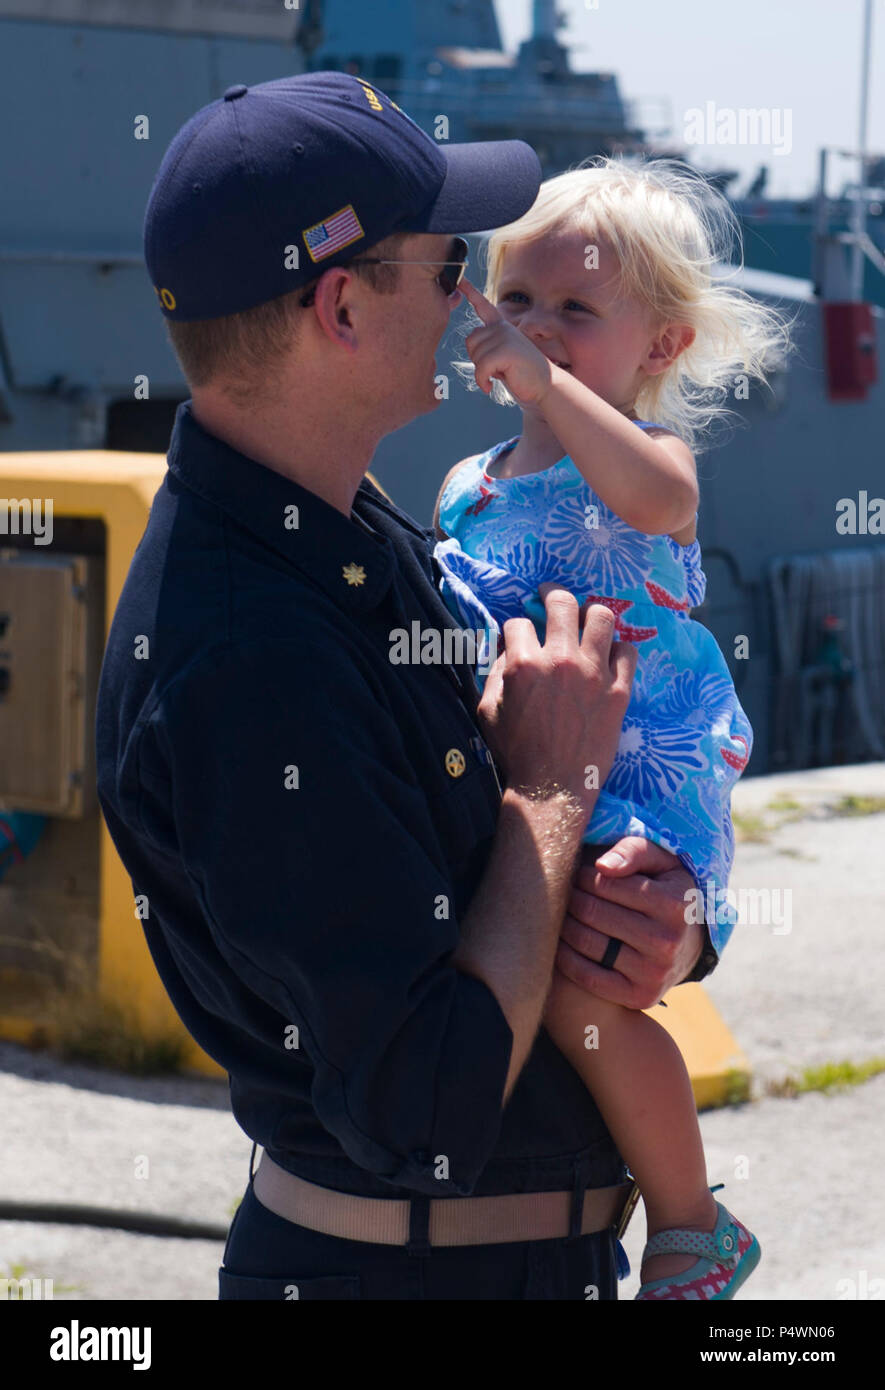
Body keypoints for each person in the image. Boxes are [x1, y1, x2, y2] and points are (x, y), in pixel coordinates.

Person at [95, 74, 719, 1302]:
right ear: (339, 303)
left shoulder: (349, 535)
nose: (476, 308)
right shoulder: (252, 658)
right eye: (448, 272)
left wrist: (666, 919)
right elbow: (427, 1105)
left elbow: (528, 853)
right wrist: (551, 788)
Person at [432, 158, 792, 1298]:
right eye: (518, 300)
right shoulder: (464, 482)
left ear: (663, 346)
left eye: (577, 308)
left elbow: (658, 504)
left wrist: (547, 387)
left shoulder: (649, 462)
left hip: (642, 776)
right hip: (531, 775)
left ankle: (692, 1222)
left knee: (589, 988)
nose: (538, 329)